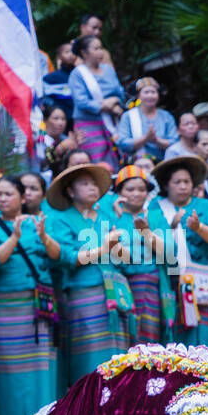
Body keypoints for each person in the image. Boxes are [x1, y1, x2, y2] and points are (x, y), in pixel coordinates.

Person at [0, 175, 58, 415]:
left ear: (22, 197)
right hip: (6, 306)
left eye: (9, 194)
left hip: (36, 304)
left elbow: (59, 257)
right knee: (7, 365)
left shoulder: (38, 224)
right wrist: (14, 237)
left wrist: (43, 237)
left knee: (39, 366)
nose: (2, 198)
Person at [45, 163, 133, 383]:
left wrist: (117, 249)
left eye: (94, 183)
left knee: (117, 351)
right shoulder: (61, 219)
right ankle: (88, 405)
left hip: (115, 292)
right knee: (89, 352)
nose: (92, 187)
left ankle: (116, 404)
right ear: (70, 191)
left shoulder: (107, 216)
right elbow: (66, 257)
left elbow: (127, 258)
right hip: (84, 292)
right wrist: (103, 249)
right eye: (84, 183)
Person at [147, 155, 208, 351]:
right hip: (168, 281)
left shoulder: (207, 206)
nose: (183, 186)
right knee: (172, 339)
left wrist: (199, 227)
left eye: (187, 181)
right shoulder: (155, 207)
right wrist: (172, 225)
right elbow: (150, 237)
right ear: (166, 185)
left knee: (204, 338)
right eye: (177, 182)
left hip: (201, 282)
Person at [109, 164, 169, 344]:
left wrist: (147, 234)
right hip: (118, 282)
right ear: (119, 192)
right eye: (130, 189)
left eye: (142, 189)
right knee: (121, 339)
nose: (137, 193)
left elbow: (168, 253)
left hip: (147, 281)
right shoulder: (110, 215)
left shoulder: (156, 216)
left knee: (147, 339)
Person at [68, 35, 125, 170]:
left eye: (101, 48)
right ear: (84, 53)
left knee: (116, 158)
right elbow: (82, 101)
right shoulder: (77, 74)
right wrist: (107, 107)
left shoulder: (108, 69)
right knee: (95, 161)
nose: (101, 52)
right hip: (89, 124)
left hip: (113, 122)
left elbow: (120, 93)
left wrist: (115, 101)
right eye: (96, 48)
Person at [114, 77, 176, 162]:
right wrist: (146, 138)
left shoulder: (166, 116)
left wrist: (156, 140)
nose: (150, 95)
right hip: (138, 163)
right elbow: (123, 143)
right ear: (138, 96)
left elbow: (174, 142)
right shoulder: (128, 116)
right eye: (146, 92)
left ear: (158, 95)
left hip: (165, 161)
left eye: (153, 92)